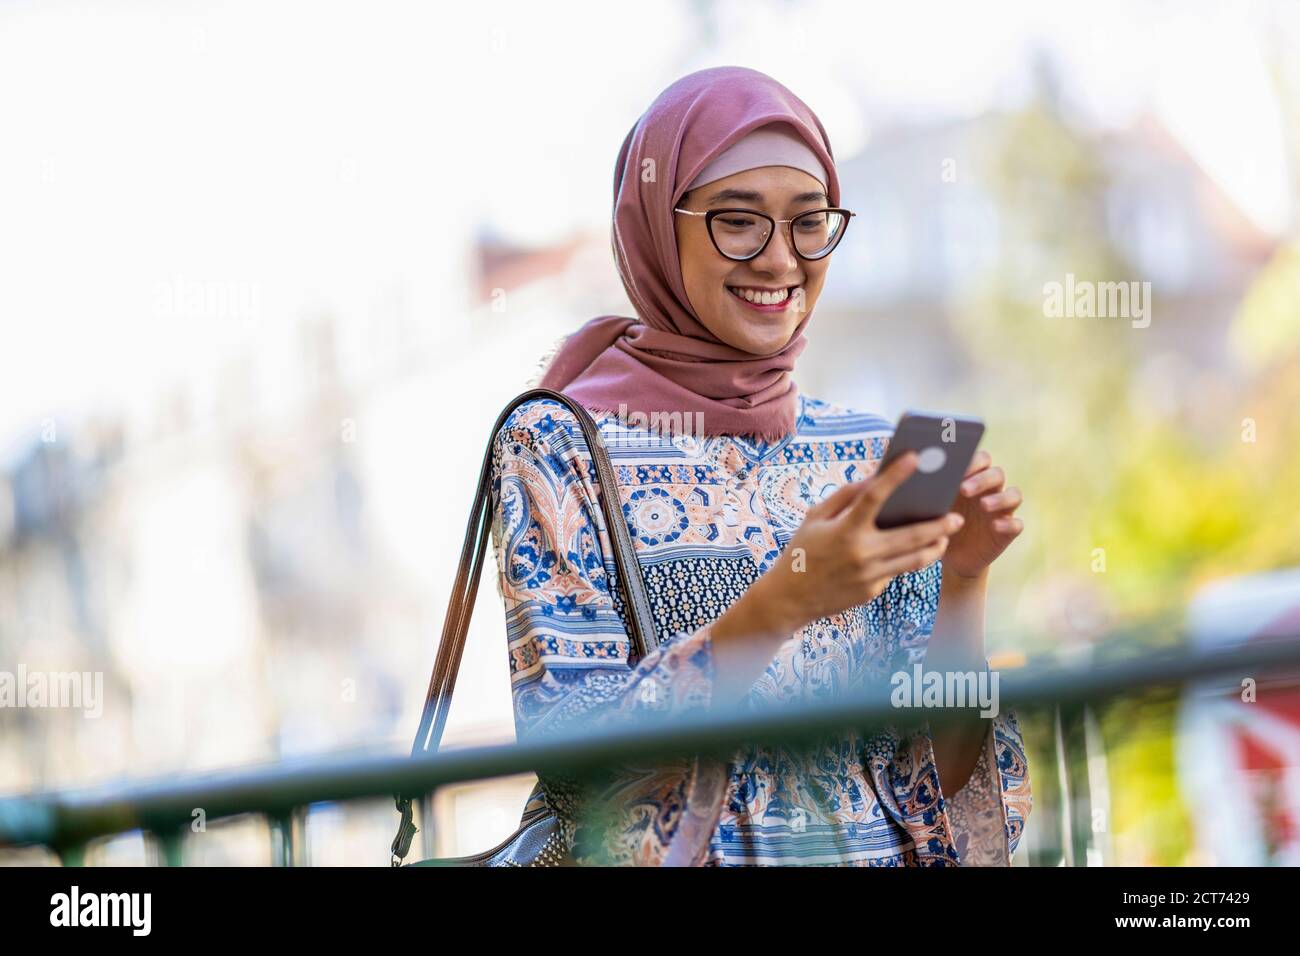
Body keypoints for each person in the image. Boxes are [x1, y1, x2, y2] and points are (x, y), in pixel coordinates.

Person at [488, 65, 1031, 866]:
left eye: (809, 222)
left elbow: (945, 792)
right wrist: (780, 605)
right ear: (654, 228)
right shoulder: (557, 446)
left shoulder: (866, 451)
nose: (781, 260)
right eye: (738, 221)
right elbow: (575, 764)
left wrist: (965, 580)